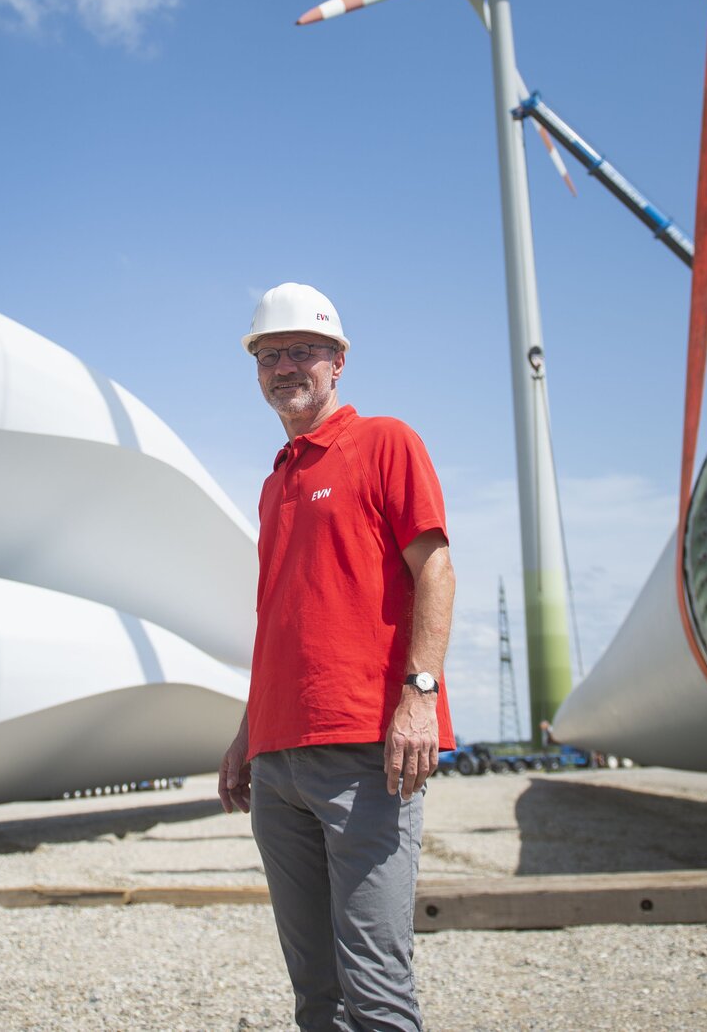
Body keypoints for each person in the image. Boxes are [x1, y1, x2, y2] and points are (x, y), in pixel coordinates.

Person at [219, 283, 455, 1032]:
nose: (284, 366)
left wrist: (420, 695)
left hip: (363, 751)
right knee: (316, 995)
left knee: (375, 987)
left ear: (338, 360)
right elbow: (281, 620)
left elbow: (436, 572)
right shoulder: (275, 481)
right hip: (277, 762)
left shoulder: (385, 443)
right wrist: (247, 733)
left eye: (301, 350)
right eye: (268, 355)